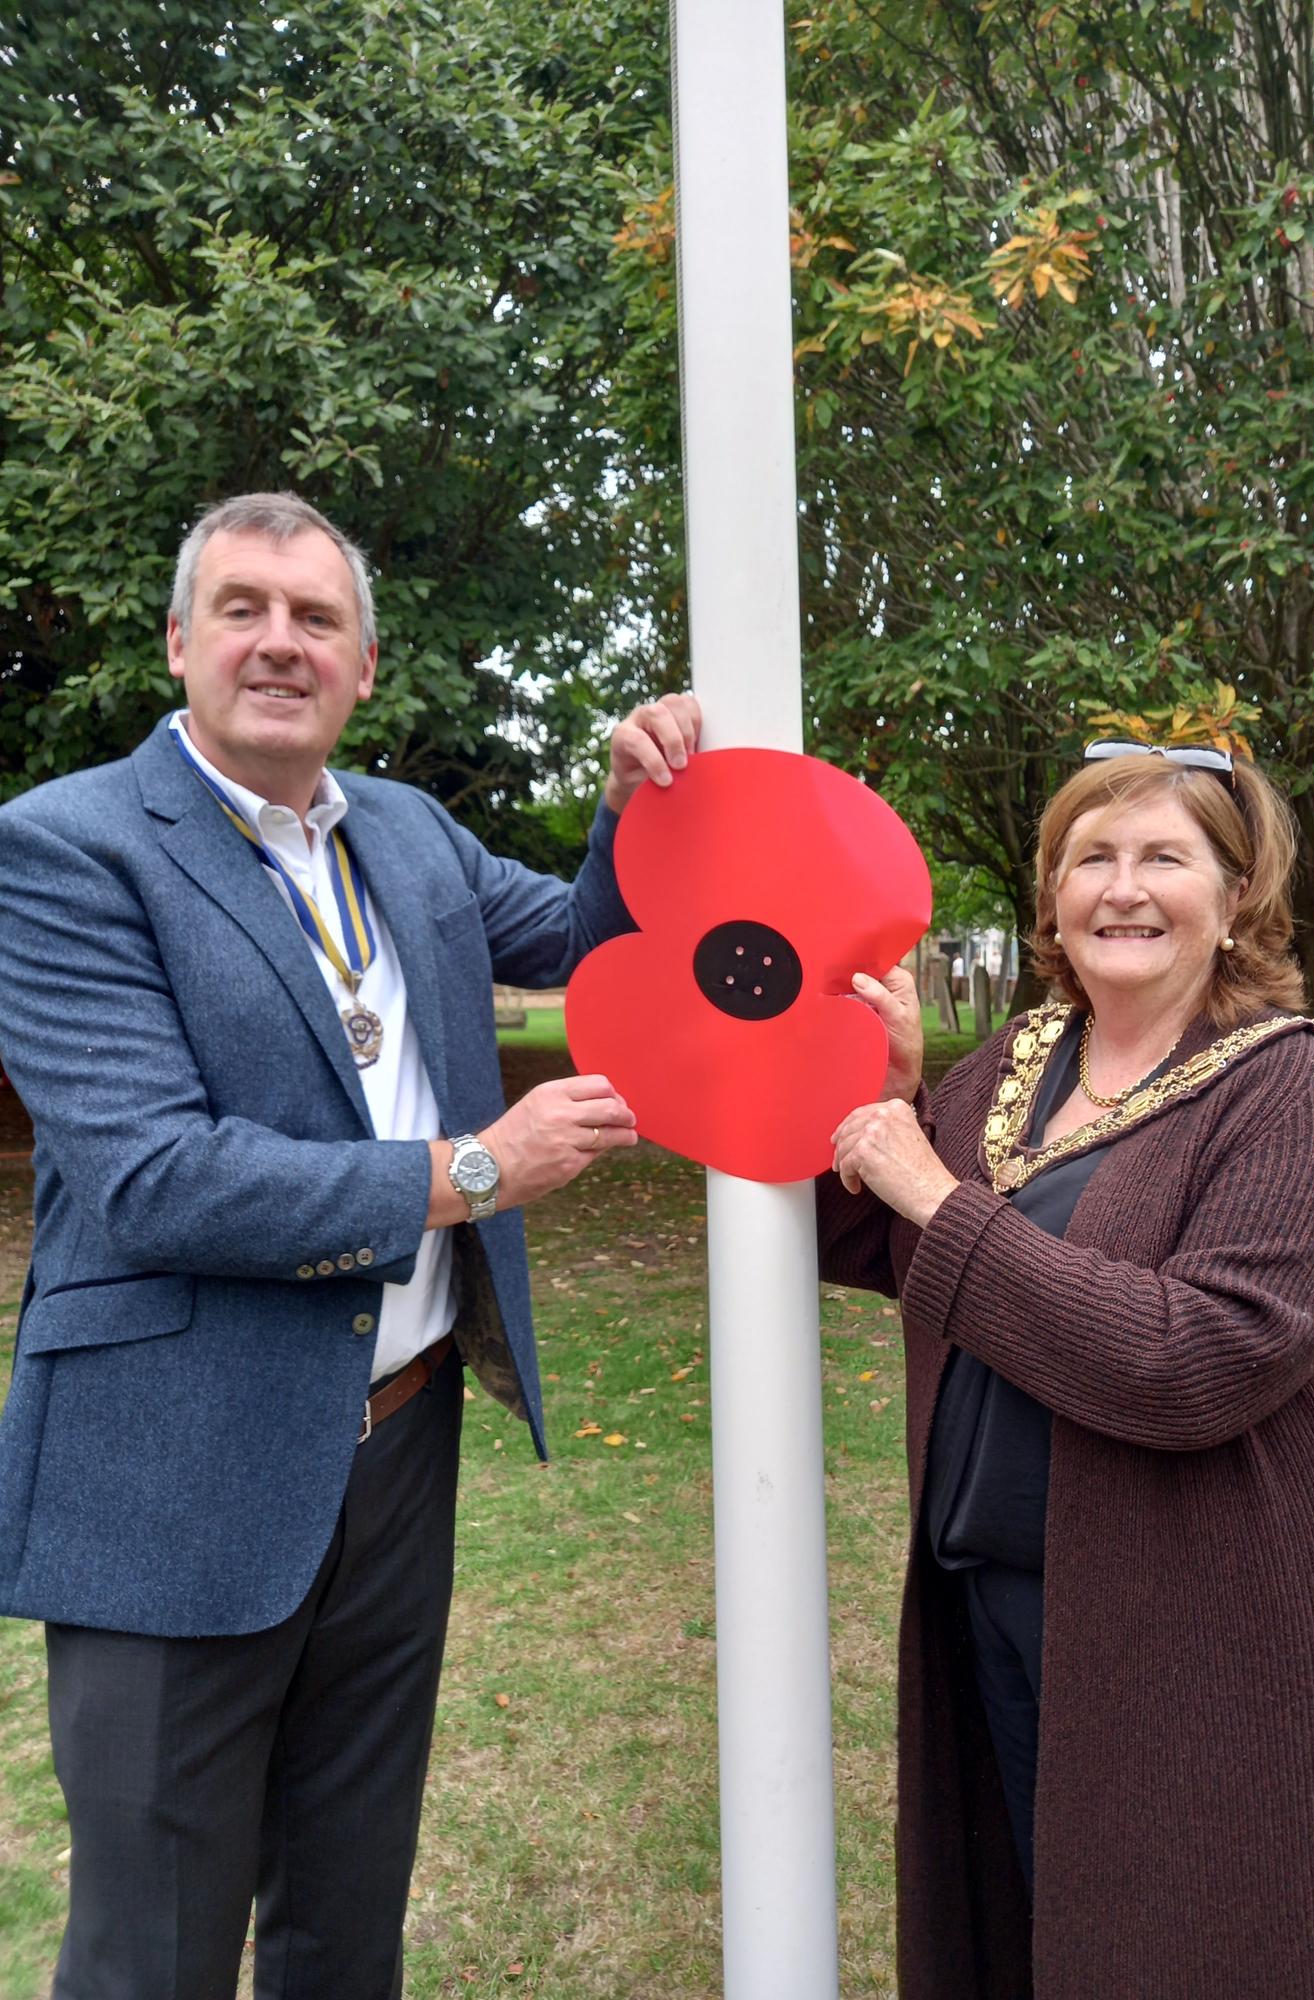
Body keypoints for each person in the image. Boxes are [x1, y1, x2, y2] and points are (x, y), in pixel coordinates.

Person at [0, 491, 699, 1999]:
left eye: (316, 618)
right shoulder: (62, 850)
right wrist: (472, 1172)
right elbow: (159, 1180)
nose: (278, 642)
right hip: (172, 1469)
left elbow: (591, 946)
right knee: (156, 1950)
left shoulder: (407, 831)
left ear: (364, 666)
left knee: (344, 1916)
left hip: (394, 1447)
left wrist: (635, 807)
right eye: (243, 608)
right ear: (180, 640)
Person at [823, 742, 1314, 2000]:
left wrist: (938, 1194)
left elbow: (1195, 1358)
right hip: (1004, 1589)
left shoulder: (1298, 1087)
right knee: (1041, 1928)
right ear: (1051, 894)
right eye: (1092, 855)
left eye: (1164, 857)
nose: (1123, 888)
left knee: (1193, 1942)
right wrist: (883, 1100)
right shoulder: (1018, 1068)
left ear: (1236, 892)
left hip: (1206, 1621)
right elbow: (880, 1239)